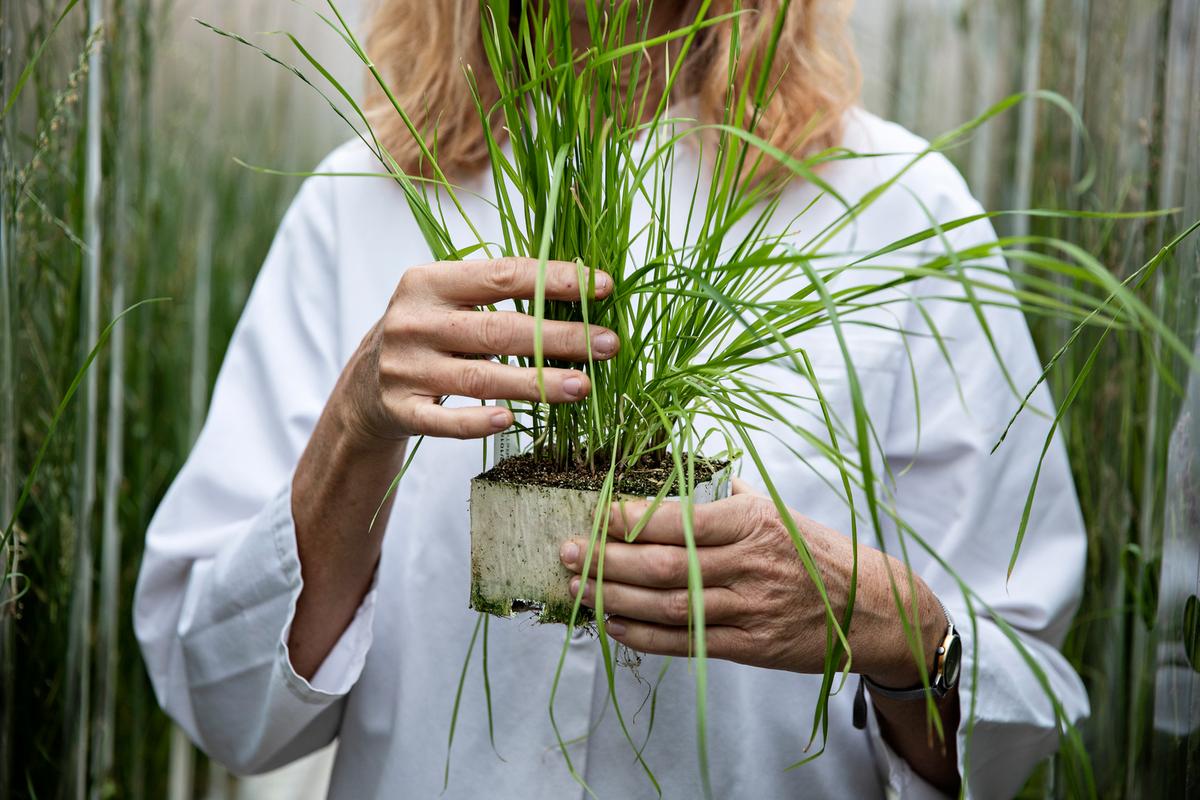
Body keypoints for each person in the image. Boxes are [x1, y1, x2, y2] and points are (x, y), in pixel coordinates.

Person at [134, 1, 1089, 797]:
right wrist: (358, 423)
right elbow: (223, 698)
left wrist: (885, 623)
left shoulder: (896, 209)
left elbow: (1020, 709)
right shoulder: (366, 197)